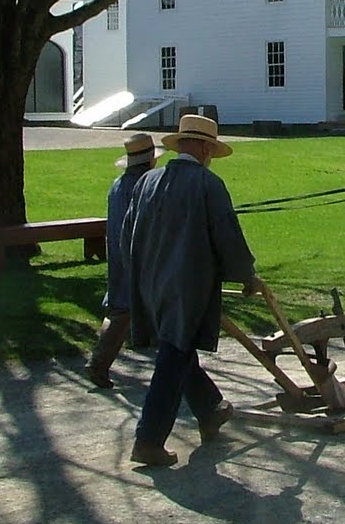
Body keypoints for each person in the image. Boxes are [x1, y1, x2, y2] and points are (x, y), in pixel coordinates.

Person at [124, 114, 263, 467]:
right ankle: (148, 439)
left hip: (149, 280)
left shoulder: (146, 182)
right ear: (203, 147)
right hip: (186, 283)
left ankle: (210, 408)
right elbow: (226, 234)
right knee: (173, 354)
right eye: (211, 150)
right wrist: (246, 275)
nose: (211, 156)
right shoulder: (207, 184)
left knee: (177, 349)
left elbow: (128, 233)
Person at [86, 132, 154, 389]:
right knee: (123, 310)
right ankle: (98, 364)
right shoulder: (143, 186)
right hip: (134, 254)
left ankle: (101, 362)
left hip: (116, 249)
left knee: (119, 306)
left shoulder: (118, 185)